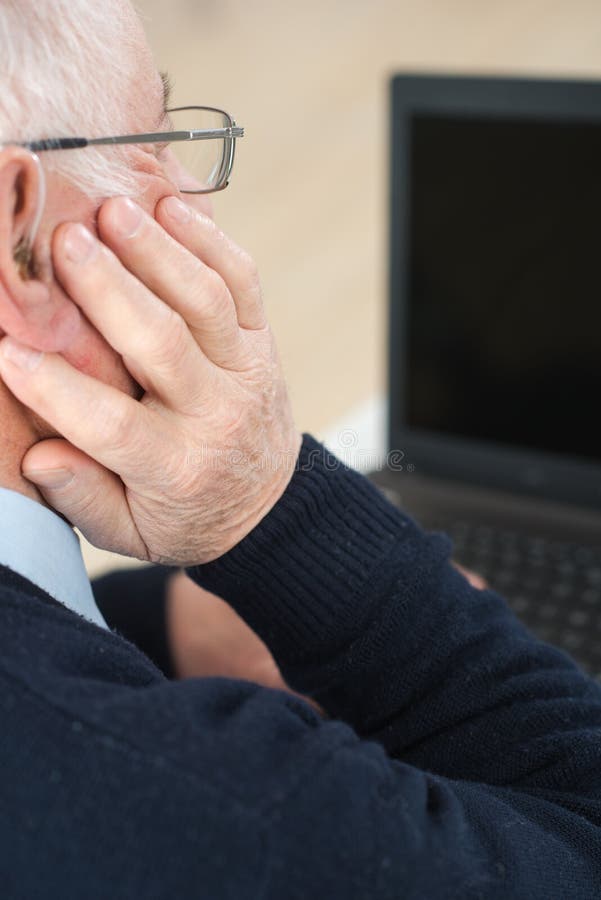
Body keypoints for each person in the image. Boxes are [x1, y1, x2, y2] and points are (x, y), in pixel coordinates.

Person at [0, 1, 600, 897]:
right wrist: (276, 517)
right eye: (152, 143)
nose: (190, 192)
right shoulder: (243, 817)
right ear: (16, 230)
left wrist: (154, 623)